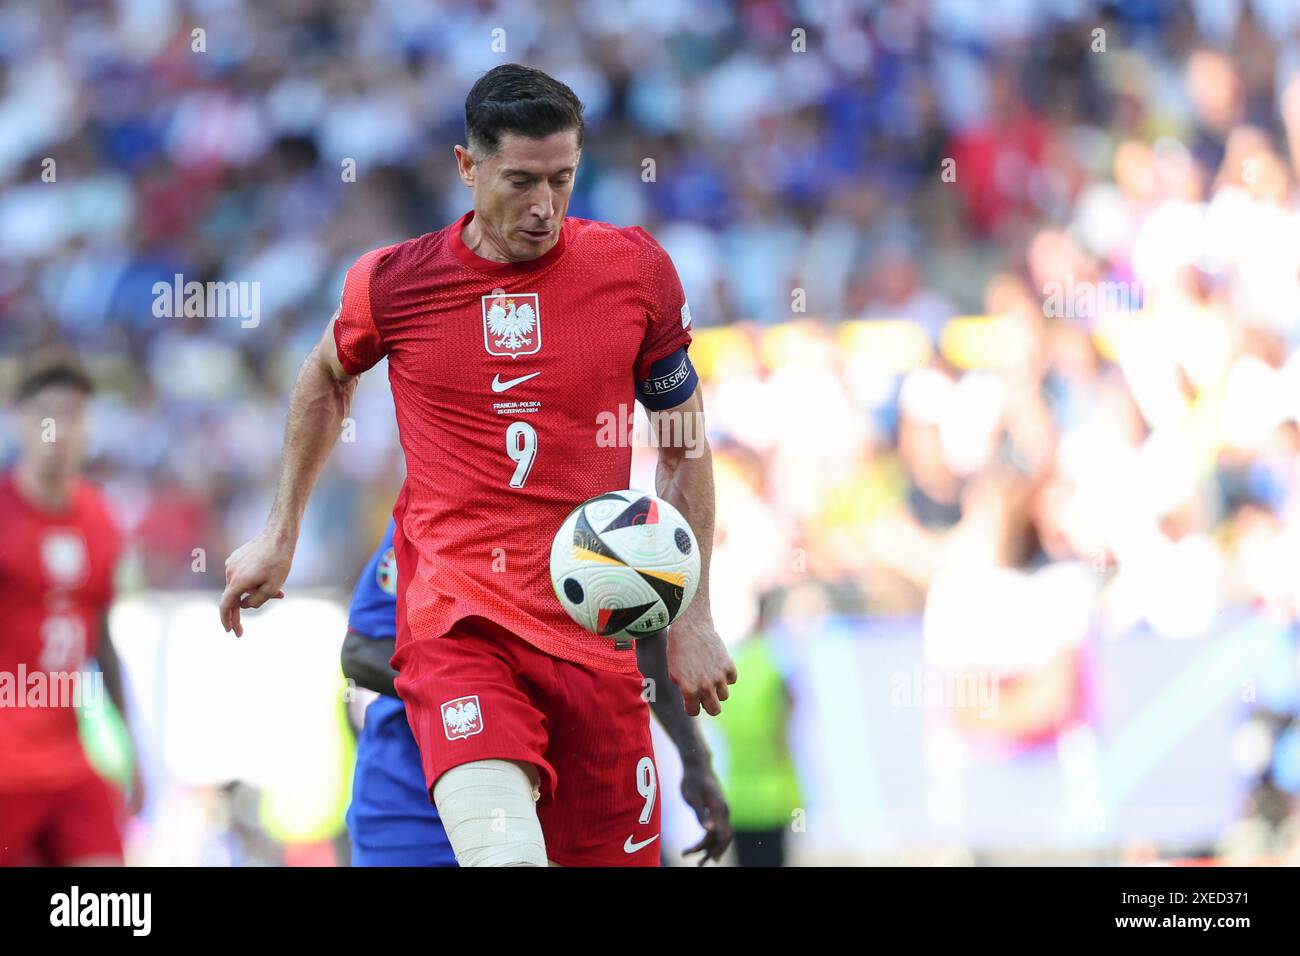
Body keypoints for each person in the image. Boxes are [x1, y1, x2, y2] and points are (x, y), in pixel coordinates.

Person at [221, 63, 737, 866]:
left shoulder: (633, 270)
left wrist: (694, 616)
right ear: (467, 167)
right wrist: (279, 531)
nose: (544, 206)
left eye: (562, 180)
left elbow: (683, 438)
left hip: (590, 644)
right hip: (461, 630)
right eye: (521, 181)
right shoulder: (394, 284)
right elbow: (327, 372)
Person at [342, 520, 732, 866]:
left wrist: (695, 760)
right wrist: (488, 689)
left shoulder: (600, 523)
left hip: (558, 797)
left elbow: (644, 647)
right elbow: (359, 653)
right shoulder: (434, 525)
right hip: (411, 807)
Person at [0, 353, 143, 866]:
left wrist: (133, 750)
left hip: (68, 762)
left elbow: (103, 643)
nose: (58, 430)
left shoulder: (101, 521)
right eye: (47, 414)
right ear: (20, 420)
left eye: (73, 414)